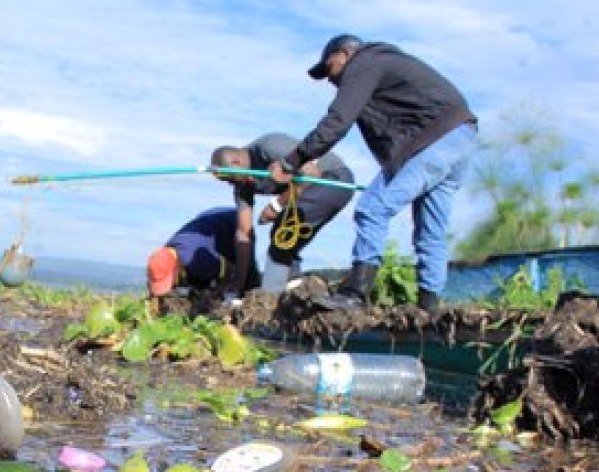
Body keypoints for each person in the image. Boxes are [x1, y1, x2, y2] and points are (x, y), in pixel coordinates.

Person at [269, 34, 477, 313]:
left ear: (344, 54)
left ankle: (354, 294)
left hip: (434, 141)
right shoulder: (385, 65)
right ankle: (429, 309)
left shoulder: (364, 63)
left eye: (329, 68)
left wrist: (291, 162)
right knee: (430, 232)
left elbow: (337, 121)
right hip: (460, 138)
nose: (331, 80)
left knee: (372, 208)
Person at [208, 132, 355, 295]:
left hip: (333, 179)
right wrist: (239, 281)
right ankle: (287, 288)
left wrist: (276, 206)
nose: (231, 184)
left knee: (284, 230)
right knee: (284, 235)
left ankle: (275, 294)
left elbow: (312, 174)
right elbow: (244, 233)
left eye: (230, 179)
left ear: (236, 162)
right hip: (308, 190)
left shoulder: (269, 146)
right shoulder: (242, 184)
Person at [146, 206, 262, 299]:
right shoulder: (165, 253)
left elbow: (230, 270)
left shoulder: (197, 260)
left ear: (176, 267)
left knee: (245, 279)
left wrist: (217, 293)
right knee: (198, 282)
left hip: (234, 223)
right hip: (208, 222)